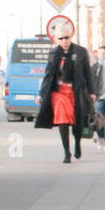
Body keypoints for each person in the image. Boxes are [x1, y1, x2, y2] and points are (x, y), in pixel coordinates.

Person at [34, 23, 93, 163]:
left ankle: (77, 144)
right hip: (59, 93)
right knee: (62, 121)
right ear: (56, 40)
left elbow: (87, 73)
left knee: (77, 122)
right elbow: (48, 75)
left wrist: (91, 91)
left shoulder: (80, 51)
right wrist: (41, 94)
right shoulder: (54, 53)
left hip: (76, 91)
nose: (64, 41)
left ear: (71, 37)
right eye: (61, 38)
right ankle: (67, 153)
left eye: (66, 37)